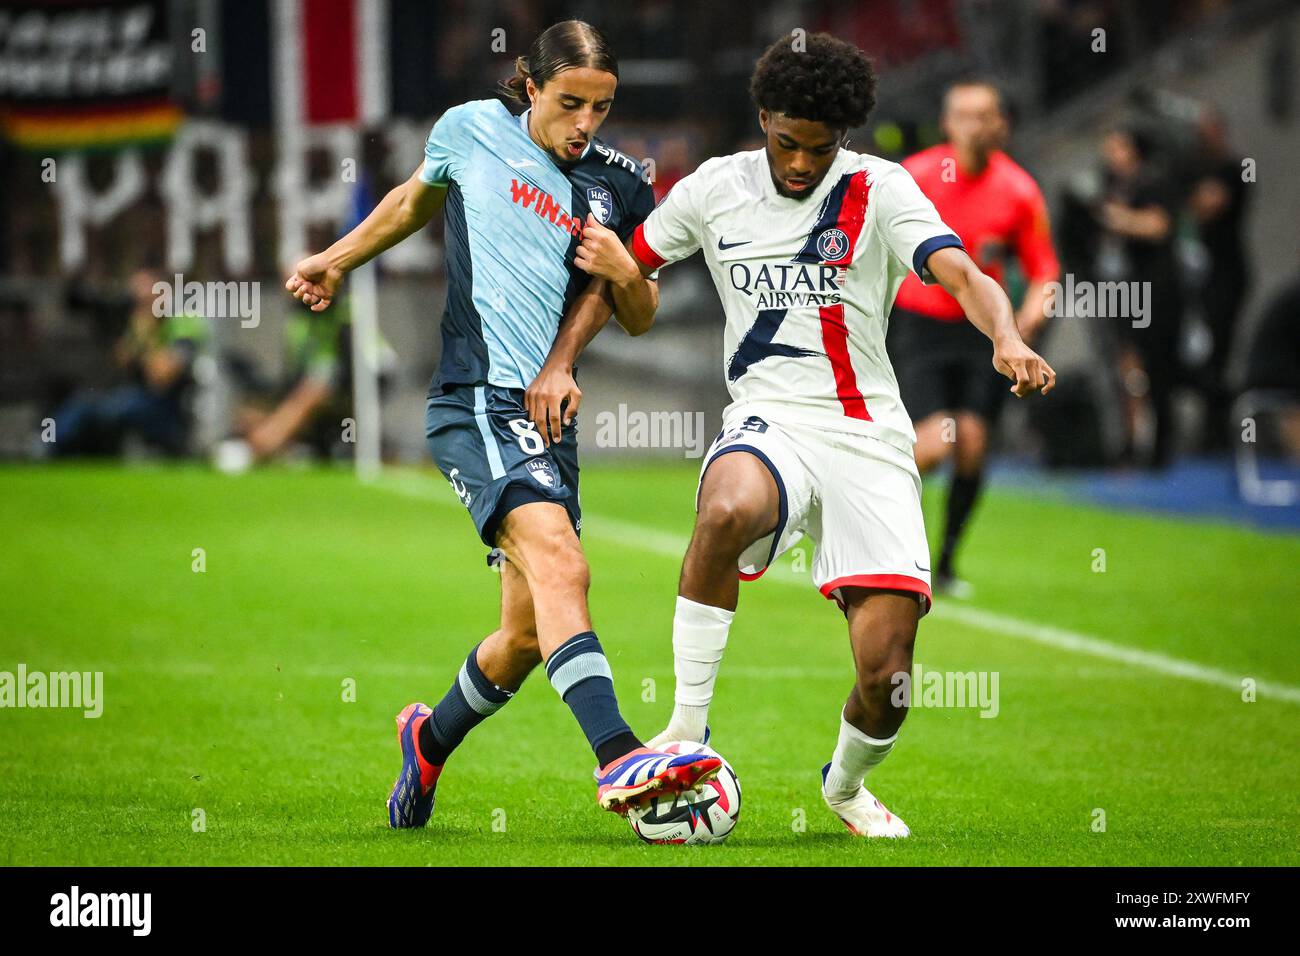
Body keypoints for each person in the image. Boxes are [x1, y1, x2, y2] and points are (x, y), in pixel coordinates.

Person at [537, 34, 1055, 837]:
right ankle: (685, 730)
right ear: (763, 118)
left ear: (844, 137)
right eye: (788, 143)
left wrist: (1005, 336)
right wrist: (563, 362)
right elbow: (624, 272)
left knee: (887, 678)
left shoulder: (880, 187)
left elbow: (961, 270)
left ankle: (845, 786)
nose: (804, 164)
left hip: (867, 437)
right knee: (723, 510)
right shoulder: (715, 188)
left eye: (822, 147)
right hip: (769, 419)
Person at [284, 20, 720, 829]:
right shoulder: (469, 131)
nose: (586, 122)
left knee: (522, 638)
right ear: (529, 86)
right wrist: (335, 259)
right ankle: (620, 754)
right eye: (570, 102)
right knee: (564, 564)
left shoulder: (621, 184)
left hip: (549, 420)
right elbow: (415, 199)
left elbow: (639, 313)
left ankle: (428, 738)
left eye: (602, 105)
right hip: (478, 398)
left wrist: (625, 272)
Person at [888, 79, 1060, 595]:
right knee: (937, 441)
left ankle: (943, 563)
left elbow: (1045, 268)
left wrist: (1030, 314)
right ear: (947, 122)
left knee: (973, 446)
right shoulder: (914, 176)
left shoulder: (1019, 191)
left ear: (1001, 124)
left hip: (981, 330)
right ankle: (881, 532)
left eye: (984, 116)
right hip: (920, 324)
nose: (975, 126)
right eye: (964, 115)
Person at [50, 269, 207, 458]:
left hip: (166, 406)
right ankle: (47, 446)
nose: (139, 299)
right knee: (81, 403)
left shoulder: (183, 320)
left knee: (106, 409)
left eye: (146, 292)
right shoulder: (135, 320)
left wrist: (144, 337)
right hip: (133, 395)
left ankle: (48, 448)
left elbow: (160, 378)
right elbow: (121, 362)